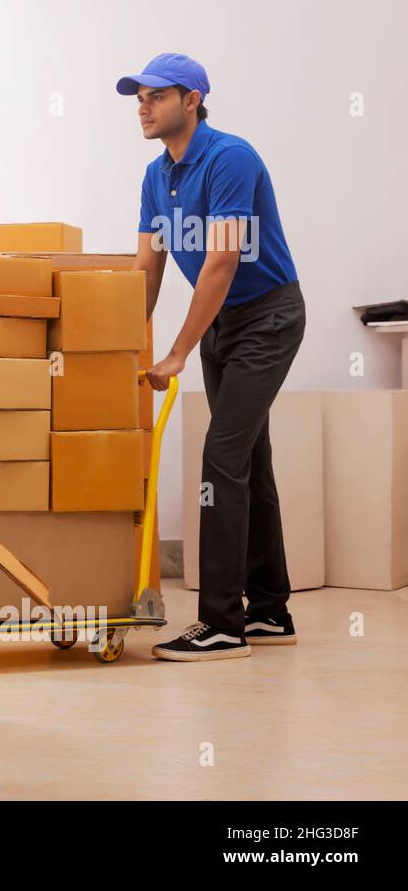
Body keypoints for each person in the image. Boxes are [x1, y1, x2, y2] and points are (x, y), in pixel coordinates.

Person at [119, 53, 305, 662]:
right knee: (250, 456)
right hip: (224, 324)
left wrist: (177, 352)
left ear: (192, 99)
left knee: (220, 459)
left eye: (155, 96)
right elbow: (149, 268)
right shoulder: (155, 176)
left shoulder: (231, 158)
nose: (142, 107)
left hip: (268, 318)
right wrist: (123, 343)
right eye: (137, 97)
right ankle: (271, 610)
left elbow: (221, 263)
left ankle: (222, 624)